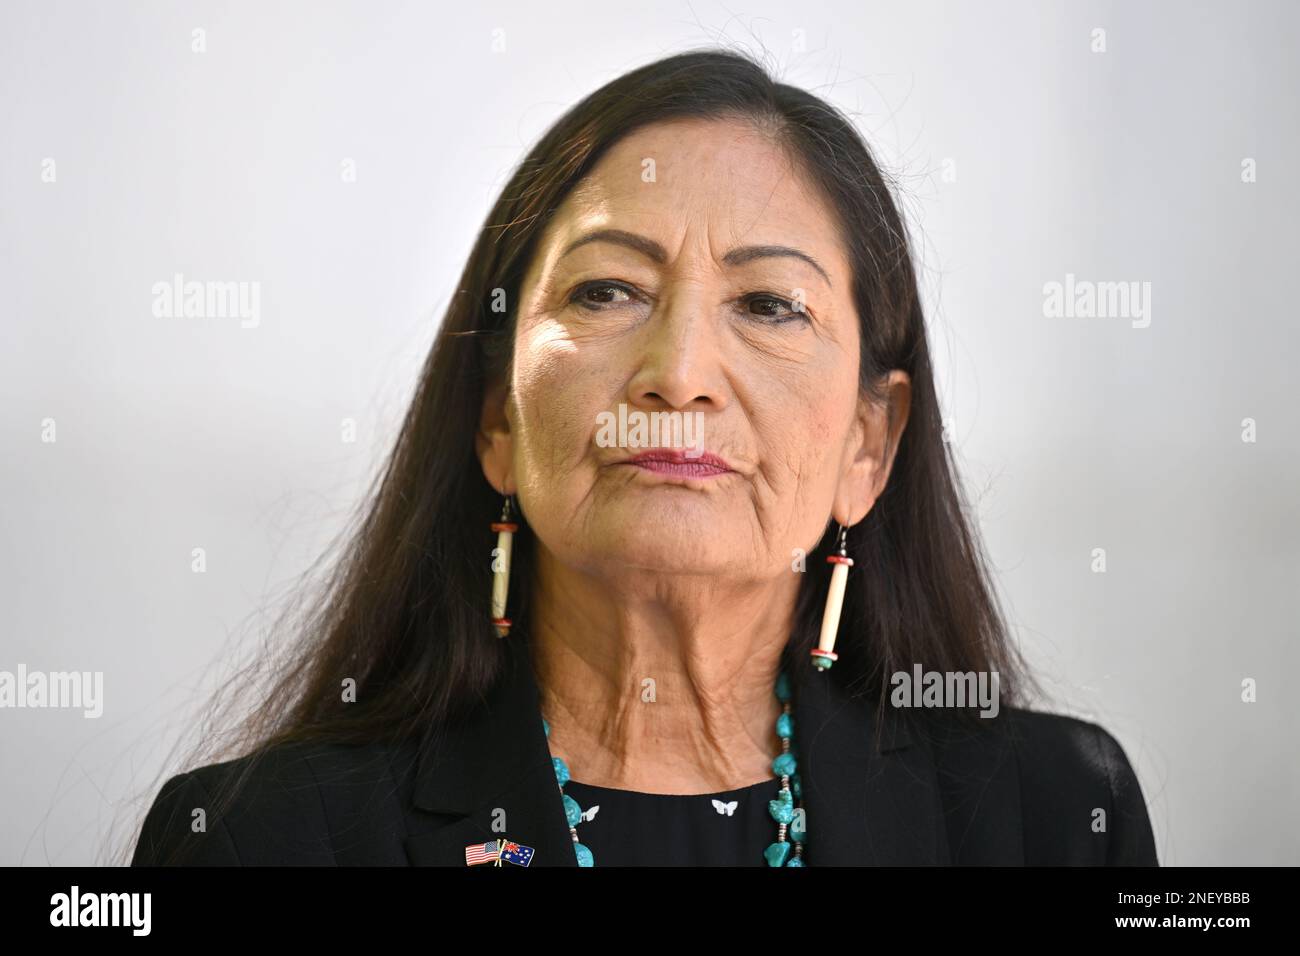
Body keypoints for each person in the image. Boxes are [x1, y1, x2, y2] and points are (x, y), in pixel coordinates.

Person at [131, 47, 1158, 867]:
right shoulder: (263, 837)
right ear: (495, 418)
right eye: (607, 291)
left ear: (867, 444)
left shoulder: (1053, 816)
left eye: (767, 305)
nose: (678, 375)